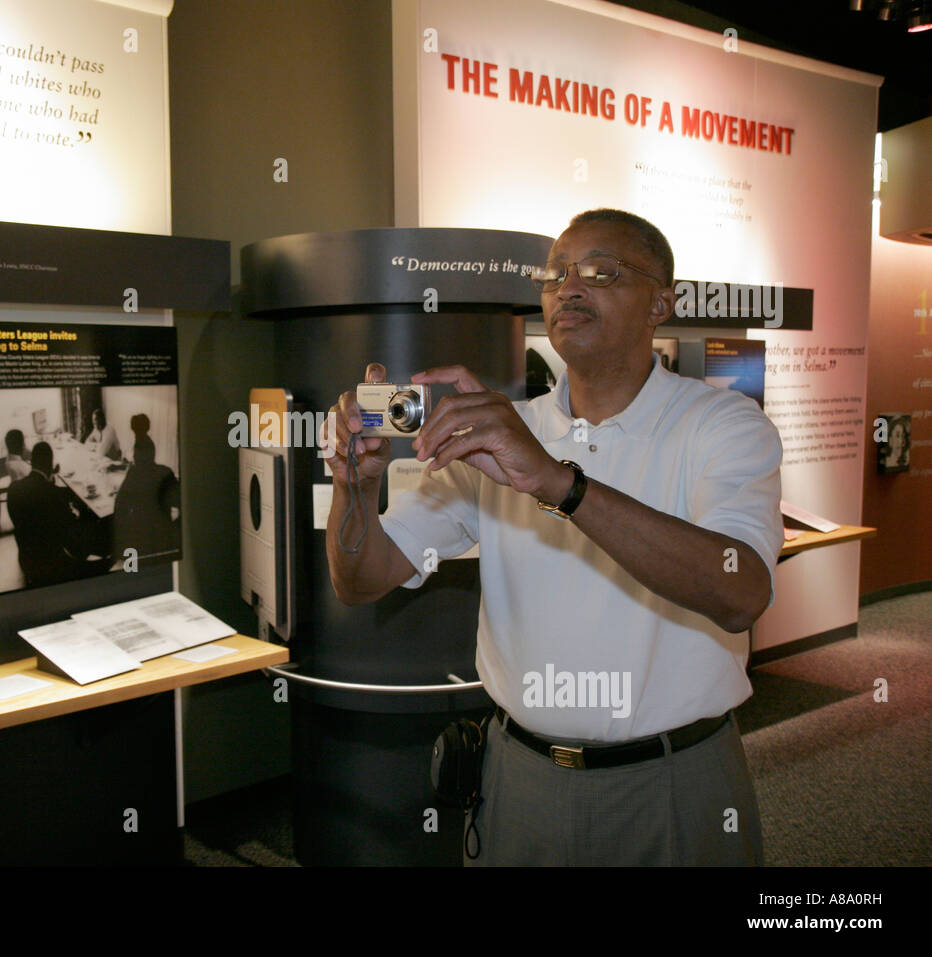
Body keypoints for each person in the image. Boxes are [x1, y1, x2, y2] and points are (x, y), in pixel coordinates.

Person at [323, 209, 783, 866]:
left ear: (662, 302)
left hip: (673, 782)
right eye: (556, 273)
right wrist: (355, 485)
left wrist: (557, 482)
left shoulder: (721, 426)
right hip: (521, 780)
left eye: (602, 271)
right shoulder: (501, 427)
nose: (570, 286)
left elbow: (741, 591)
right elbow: (363, 578)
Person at [5, 441, 107, 587]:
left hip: (27, 560)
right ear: (50, 464)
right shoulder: (52, 494)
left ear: (32, 462)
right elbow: (75, 543)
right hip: (54, 568)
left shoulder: (14, 489)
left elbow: (39, 493)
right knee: (104, 545)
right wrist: (84, 513)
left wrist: (51, 478)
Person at [111, 434, 180, 562]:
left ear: (136, 457)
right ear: (153, 455)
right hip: (164, 538)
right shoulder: (166, 473)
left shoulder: (133, 474)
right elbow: (181, 504)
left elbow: (119, 507)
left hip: (141, 541)